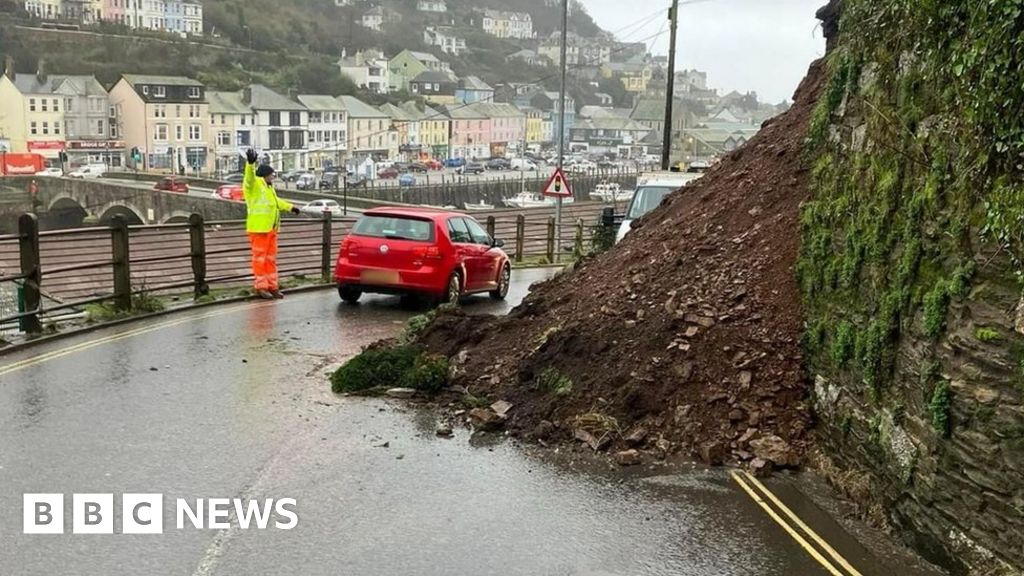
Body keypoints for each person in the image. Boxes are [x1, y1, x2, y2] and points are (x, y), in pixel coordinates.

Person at [243, 148, 301, 299]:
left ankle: (272, 286)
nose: (273, 177)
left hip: (270, 229)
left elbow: (276, 203)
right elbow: (248, 179)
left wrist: (290, 207)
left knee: (270, 260)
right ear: (264, 175)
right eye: (271, 175)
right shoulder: (255, 185)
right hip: (259, 229)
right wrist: (250, 164)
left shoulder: (268, 188)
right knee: (260, 260)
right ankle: (261, 287)